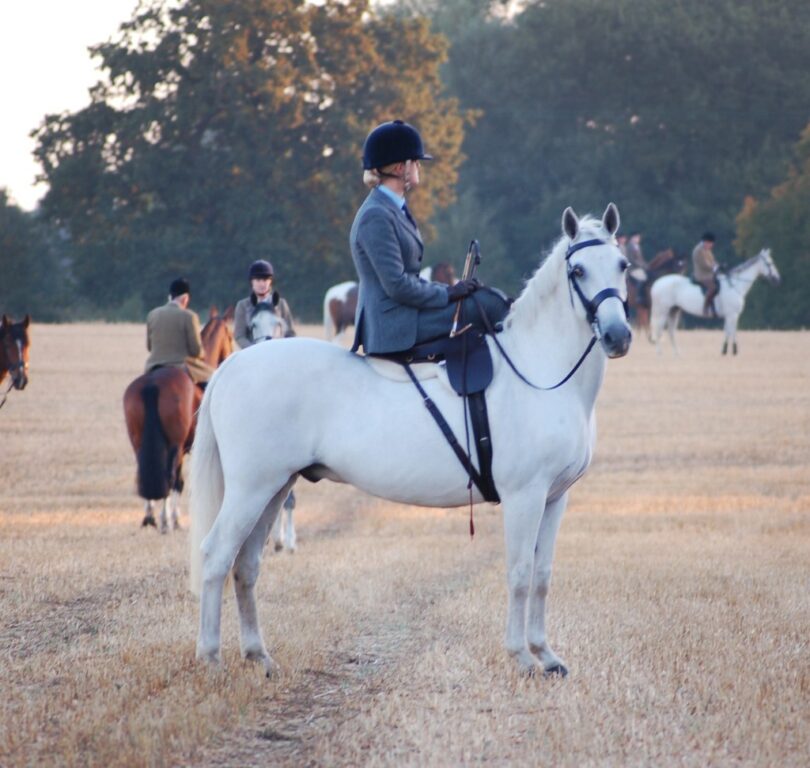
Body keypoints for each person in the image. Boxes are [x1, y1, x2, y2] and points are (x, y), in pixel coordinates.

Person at [350, 120, 509, 355]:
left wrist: (455, 290)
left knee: (486, 298)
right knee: (489, 305)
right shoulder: (376, 216)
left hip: (406, 314)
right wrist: (448, 293)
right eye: (415, 162)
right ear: (399, 168)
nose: (418, 167)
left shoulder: (392, 208)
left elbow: (410, 278)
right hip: (393, 326)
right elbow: (398, 286)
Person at [144, 277, 213, 388]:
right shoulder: (189, 316)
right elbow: (196, 351)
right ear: (185, 298)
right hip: (181, 366)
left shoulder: (152, 314)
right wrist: (202, 354)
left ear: (170, 296)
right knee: (214, 377)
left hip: (153, 366)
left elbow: (149, 347)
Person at [233, 259, 296, 349]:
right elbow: (239, 336)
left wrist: (284, 348)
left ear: (270, 282)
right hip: (253, 351)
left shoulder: (281, 304)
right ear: (252, 281)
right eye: (258, 280)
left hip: (279, 350)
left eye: (265, 280)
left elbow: (290, 333)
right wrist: (254, 350)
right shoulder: (243, 306)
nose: (262, 284)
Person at [692, 232, 720, 316]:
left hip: (709, 273)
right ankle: (705, 308)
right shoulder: (698, 250)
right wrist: (714, 268)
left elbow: (712, 260)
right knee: (712, 288)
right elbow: (703, 264)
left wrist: (718, 265)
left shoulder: (707, 249)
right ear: (706, 242)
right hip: (702, 275)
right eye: (711, 243)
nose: (712, 245)